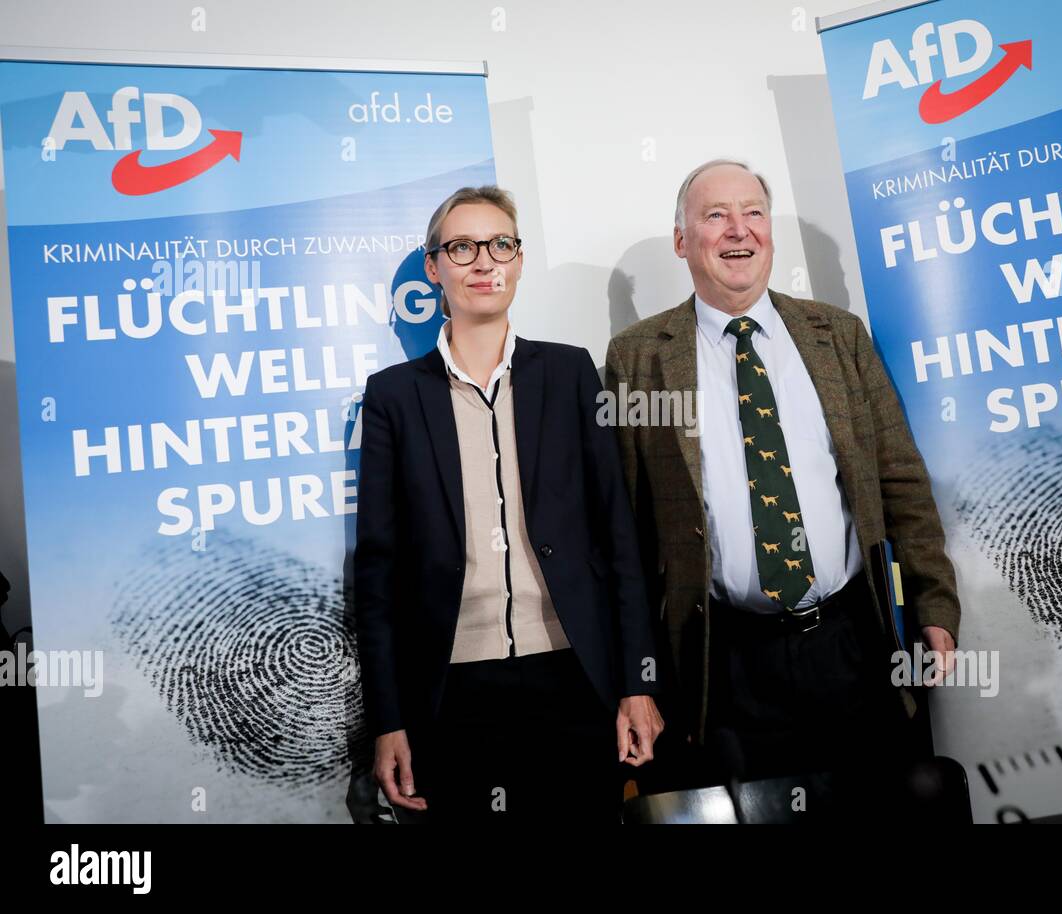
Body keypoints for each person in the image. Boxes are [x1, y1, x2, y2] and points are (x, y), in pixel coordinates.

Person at [603, 159, 960, 815]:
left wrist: (935, 607)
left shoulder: (838, 335)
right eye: (715, 216)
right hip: (728, 663)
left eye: (754, 213)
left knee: (884, 811)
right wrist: (640, 678)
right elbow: (625, 533)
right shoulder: (638, 357)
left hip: (856, 642)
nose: (739, 231)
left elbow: (902, 485)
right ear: (682, 240)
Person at [355, 186, 663, 823]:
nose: (483, 261)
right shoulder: (393, 397)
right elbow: (378, 574)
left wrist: (638, 681)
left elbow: (618, 537)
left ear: (518, 260)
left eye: (500, 244)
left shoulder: (570, 373)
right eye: (461, 247)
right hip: (453, 691)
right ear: (433, 267)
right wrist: (388, 720)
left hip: (575, 677)